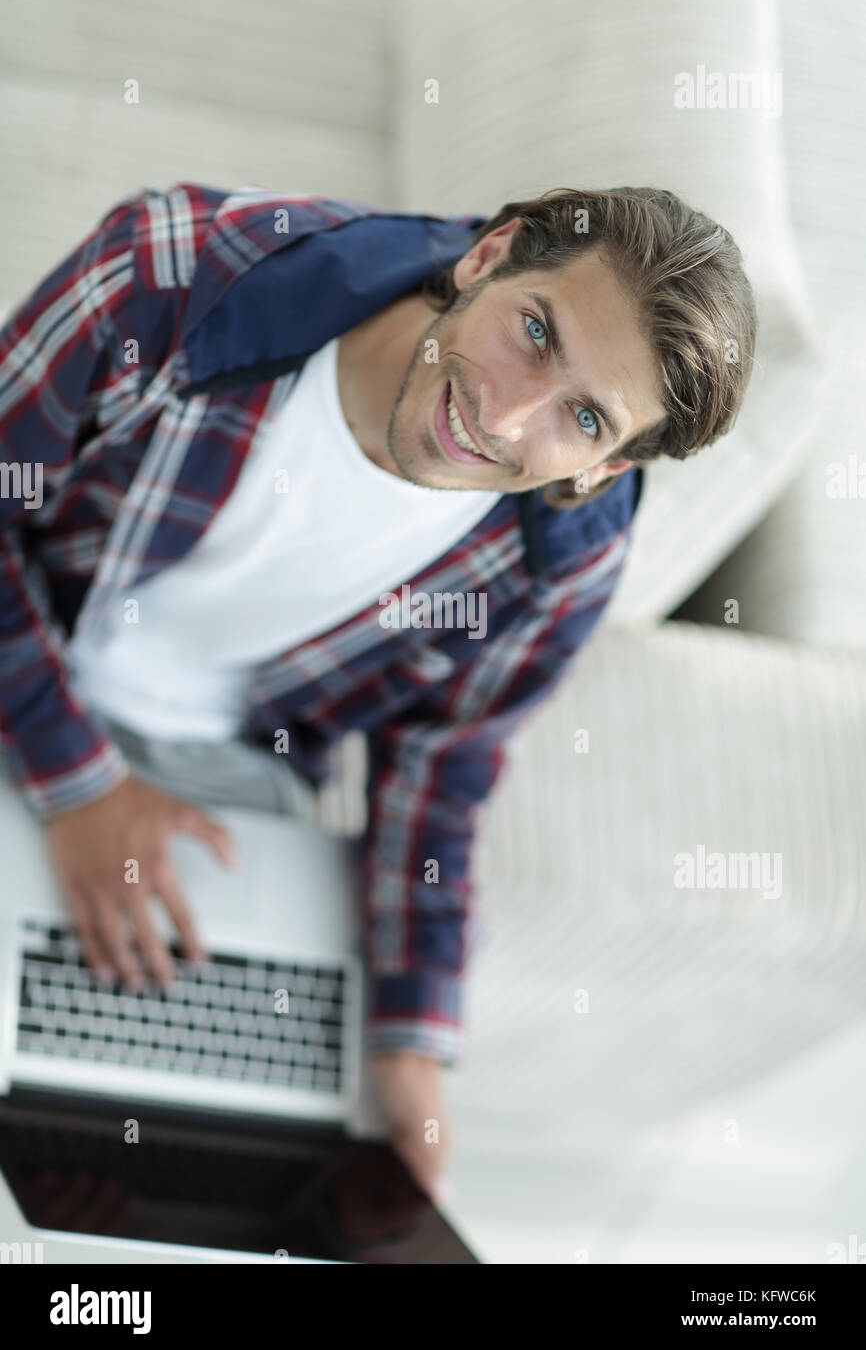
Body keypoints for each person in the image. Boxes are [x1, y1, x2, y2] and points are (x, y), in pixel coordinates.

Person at [0, 182, 757, 1202]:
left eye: (581, 415)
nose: (502, 415)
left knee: (166, 1157)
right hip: (29, 646)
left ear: (604, 463)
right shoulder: (170, 273)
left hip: (227, 776)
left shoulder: (563, 549)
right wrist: (79, 783)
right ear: (487, 258)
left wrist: (411, 1044)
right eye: (534, 332)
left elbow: (445, 761)